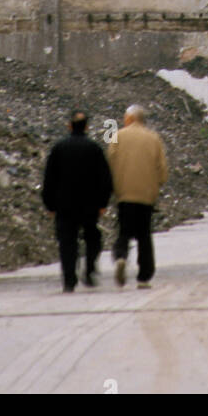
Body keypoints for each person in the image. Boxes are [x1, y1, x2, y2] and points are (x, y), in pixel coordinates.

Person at [41, 110, 113, 293]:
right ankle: (89, 269)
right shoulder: (94, 148)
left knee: (67, 242)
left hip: (64, 205)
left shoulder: (59, 148)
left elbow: (49, 178)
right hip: (89, 205)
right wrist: (103, 203)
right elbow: (105, 178)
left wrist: (49, 204)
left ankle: (69, 280)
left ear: (69, 126)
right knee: (92, 238)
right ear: (87, 127)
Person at [107, 104, 168, 288]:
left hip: (124, 194)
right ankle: (144, 276)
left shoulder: (117, 136)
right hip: (146, 195)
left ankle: (121, 256)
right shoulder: (154, 138)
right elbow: (162, 170)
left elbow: (109, 163)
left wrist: (113, 188)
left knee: (124, 231)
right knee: (144, 235)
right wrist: (157, 185)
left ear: (130, 119)